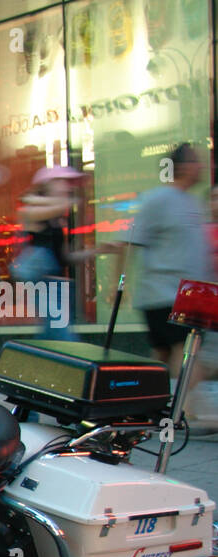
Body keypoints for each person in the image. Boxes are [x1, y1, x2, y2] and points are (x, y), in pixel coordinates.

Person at [126, 143, 214, 380]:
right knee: (185, 350)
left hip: (191, 294)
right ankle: (185, 410)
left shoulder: (193, 203)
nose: (202, 167)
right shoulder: (158, 199)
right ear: (184, 167)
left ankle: (143, 399)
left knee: (164, 352)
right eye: (197, 161)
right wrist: (120, 285)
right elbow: (131, 241)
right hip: (165, 292)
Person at [14, 166, 113, 340]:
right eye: (62, 181)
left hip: (61, 288)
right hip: (46, 286)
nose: (68, 187)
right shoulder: (32, 212)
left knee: (54, 338)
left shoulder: (55, 217)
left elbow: (65, 257)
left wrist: (98, 250)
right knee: (64, 340)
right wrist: (35, 199)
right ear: (47, 185)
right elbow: (62, 206)